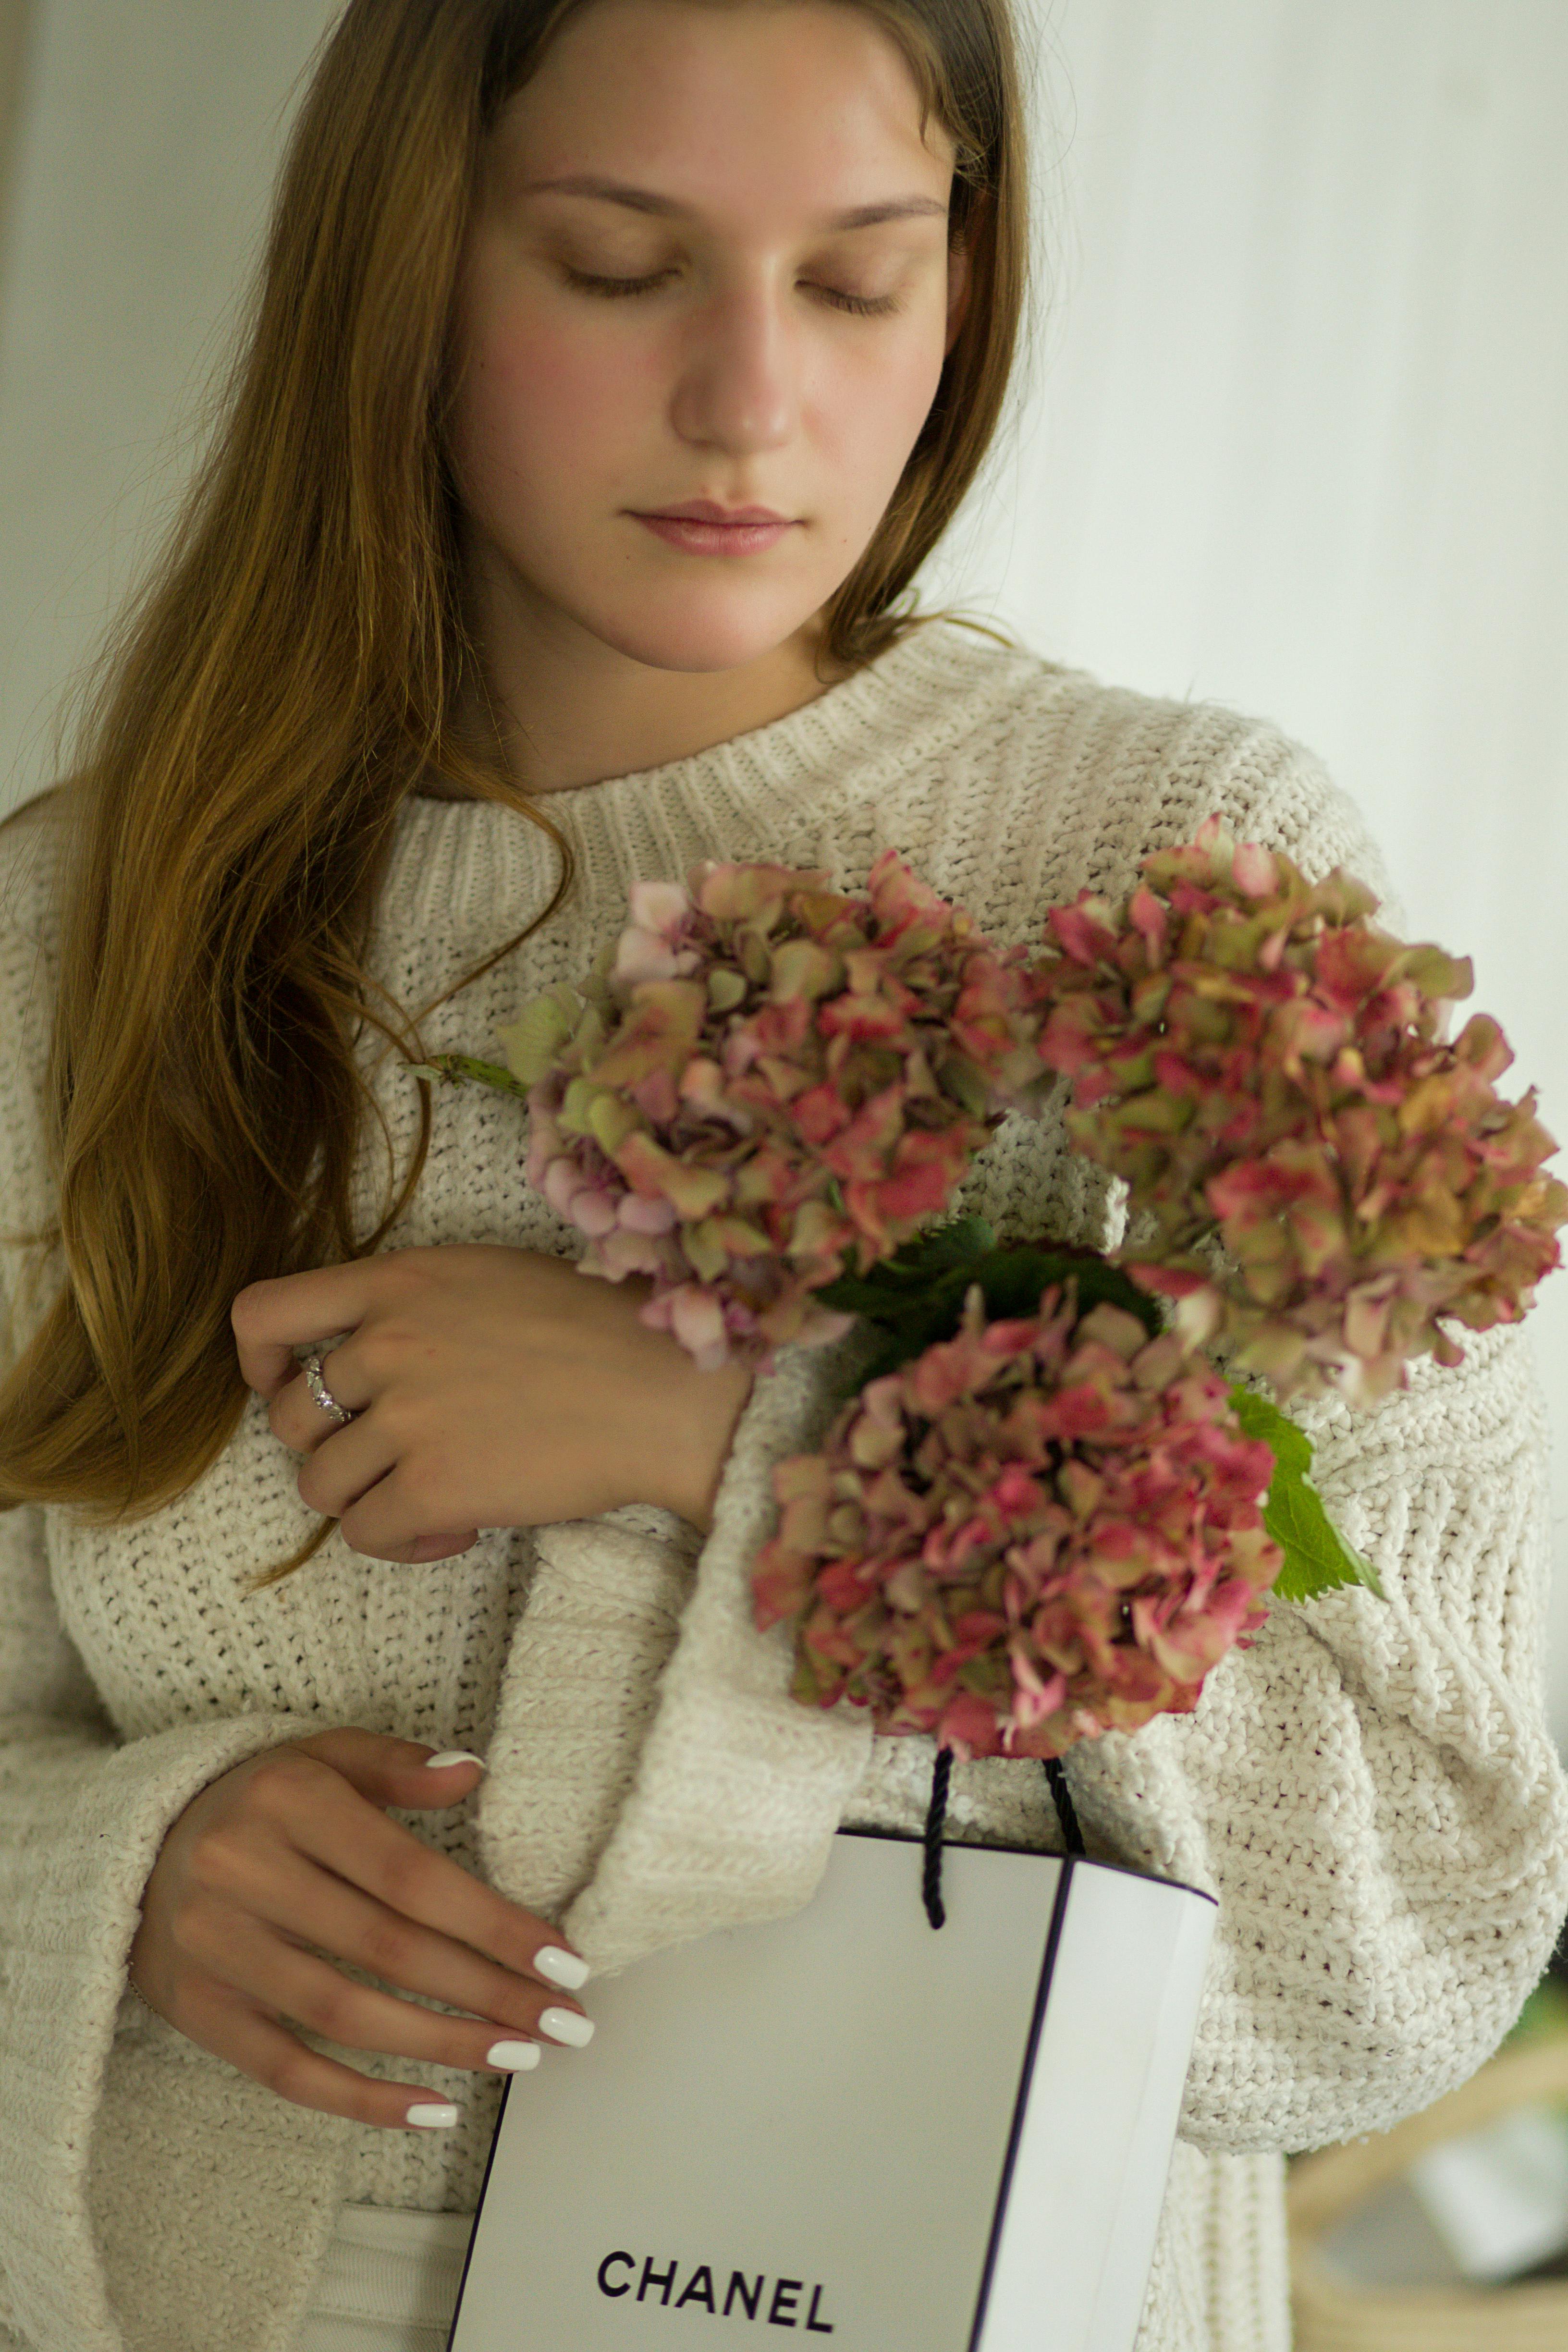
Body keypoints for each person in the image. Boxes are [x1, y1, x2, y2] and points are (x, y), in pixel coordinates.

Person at [0, 2, 1564, 2348]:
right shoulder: (80, 930)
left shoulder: (1180, 886)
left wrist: (751, 1442)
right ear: (398, 271)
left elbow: (1410, 1934)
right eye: (621, 269)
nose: (751, 402)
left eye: (854, 281)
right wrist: (106, 1878)